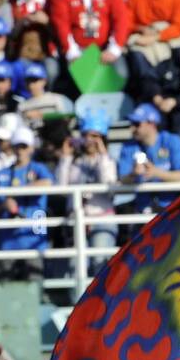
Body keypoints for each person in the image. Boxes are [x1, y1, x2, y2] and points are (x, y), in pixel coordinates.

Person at [125, 0, 180, 130]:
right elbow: (126, 22)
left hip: (179, 95)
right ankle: (155, 95)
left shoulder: (179, 0)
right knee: (136, 51)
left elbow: (179, 28)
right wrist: (141, 29)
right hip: (146, 49)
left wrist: (155, 36)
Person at [56, 115, 118, 274]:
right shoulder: (75, 162)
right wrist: (65, 158)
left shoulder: (109, 160)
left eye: (95, 136)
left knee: (101, 266)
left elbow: (109, 183)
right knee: (75, 267)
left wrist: (103, 154)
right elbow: (61, 188)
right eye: (86, 135)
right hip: (77, 221)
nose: (90, 140)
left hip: (102, 219)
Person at [0, 125, 52, 279]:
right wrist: (5, 205)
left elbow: (48, 183)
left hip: (35, 236)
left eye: (24, 146)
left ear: (31, 148)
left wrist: (19, 190)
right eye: (17, 146)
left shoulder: (39, 169)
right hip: (8, 239)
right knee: (5, 284)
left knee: (34, 282)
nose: (20, 150)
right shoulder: (2, 174)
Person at [116, 102, 180, 219]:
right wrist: (133, 174)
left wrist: (156, 172)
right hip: (142, 210)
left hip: (171, 208)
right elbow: (123, 178)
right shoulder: (128, 146)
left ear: (152, 124)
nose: (132, 128)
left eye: (137, 124)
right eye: (131, 124)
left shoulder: (172, 140)